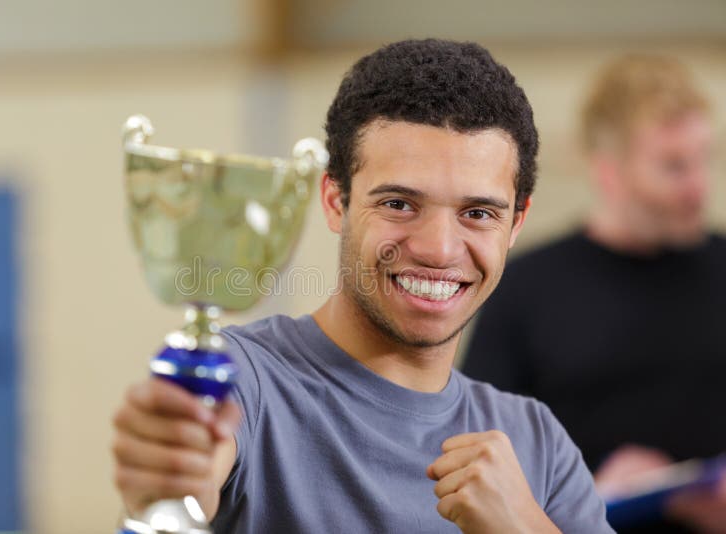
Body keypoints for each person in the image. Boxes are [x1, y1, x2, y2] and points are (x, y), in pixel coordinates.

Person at [112, 39, 613, 533]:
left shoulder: (537, 443)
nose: (439, 249)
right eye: (399, 204)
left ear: (516, 222)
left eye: (478, 213)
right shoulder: (241, 381)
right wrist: (166, 491)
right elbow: (189, 474)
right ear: (335, 200)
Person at [462, 54, 726, 533]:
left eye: (703, 159)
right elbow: (475, 456)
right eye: (674, 167)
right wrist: (590, 489)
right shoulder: (523, 288)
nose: (698, 188)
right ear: (609, 172)